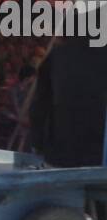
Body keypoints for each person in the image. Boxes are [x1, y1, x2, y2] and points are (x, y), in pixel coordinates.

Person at [30, 32, 107, 168]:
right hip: (100, 161)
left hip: (60, 159)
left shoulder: (57, 55)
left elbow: (39, 106)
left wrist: (37, 143)